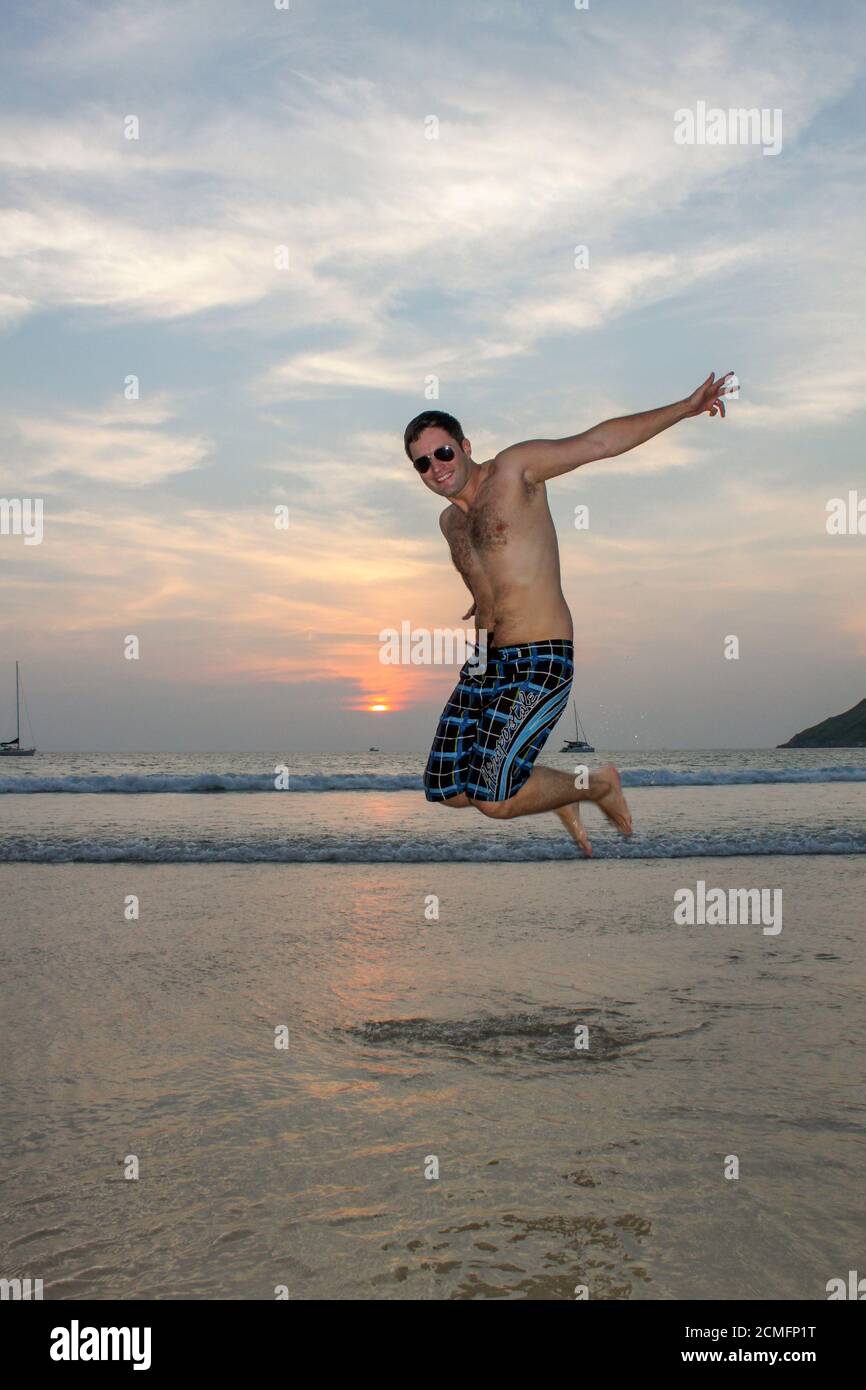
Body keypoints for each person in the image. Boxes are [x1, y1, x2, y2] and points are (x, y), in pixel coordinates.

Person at [405, 372, 734, 855]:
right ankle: (553, 794)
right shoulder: (450, 522)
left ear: (465, 445)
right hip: (484, 663)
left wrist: (685, 407)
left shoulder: (514, 470)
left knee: (493, 800)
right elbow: (486, 592)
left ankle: (595, 786)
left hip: (540, 655)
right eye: (422, 463)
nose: (436, 466)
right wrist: (477, 650)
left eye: (443, 452)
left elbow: (599, 442)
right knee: (446, 788)